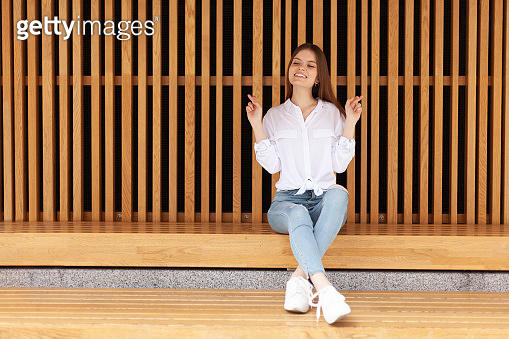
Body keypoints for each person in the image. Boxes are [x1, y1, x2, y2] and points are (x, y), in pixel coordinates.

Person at [245, 43, 362, 324]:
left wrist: (351, 123)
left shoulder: (334, 113)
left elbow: (339, 166)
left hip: (323, 202)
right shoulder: (274, 116)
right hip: (286, 203)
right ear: (289, 71)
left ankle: (299, 280)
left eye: (311, 66)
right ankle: (325, 289)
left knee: (339, 195)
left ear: (318, 77)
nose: (302, 69)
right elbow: (272, 166)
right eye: (297, 63)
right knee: (297, 213)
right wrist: (256, 124)